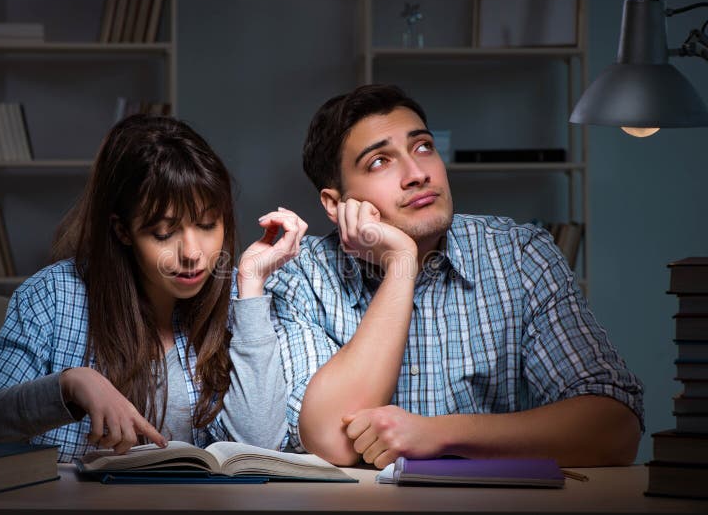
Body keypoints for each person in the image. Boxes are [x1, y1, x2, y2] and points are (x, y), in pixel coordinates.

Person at [266, 84, 644, 468]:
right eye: (380, 161)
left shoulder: (520, 254)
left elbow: (615, 430)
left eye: (423, 147)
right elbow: (330, 440)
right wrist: (400, 266)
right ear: (335, 203)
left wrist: (439, 434)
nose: (417, 174)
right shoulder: (301, 276)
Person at [0, 115, 307, 462]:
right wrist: (68, 387)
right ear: (122, 230)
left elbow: (255, 452)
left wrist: (252, 284)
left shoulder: (241, 307)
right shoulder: (55, 297)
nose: (193, 254)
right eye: (163, 232)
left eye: (208, 225)